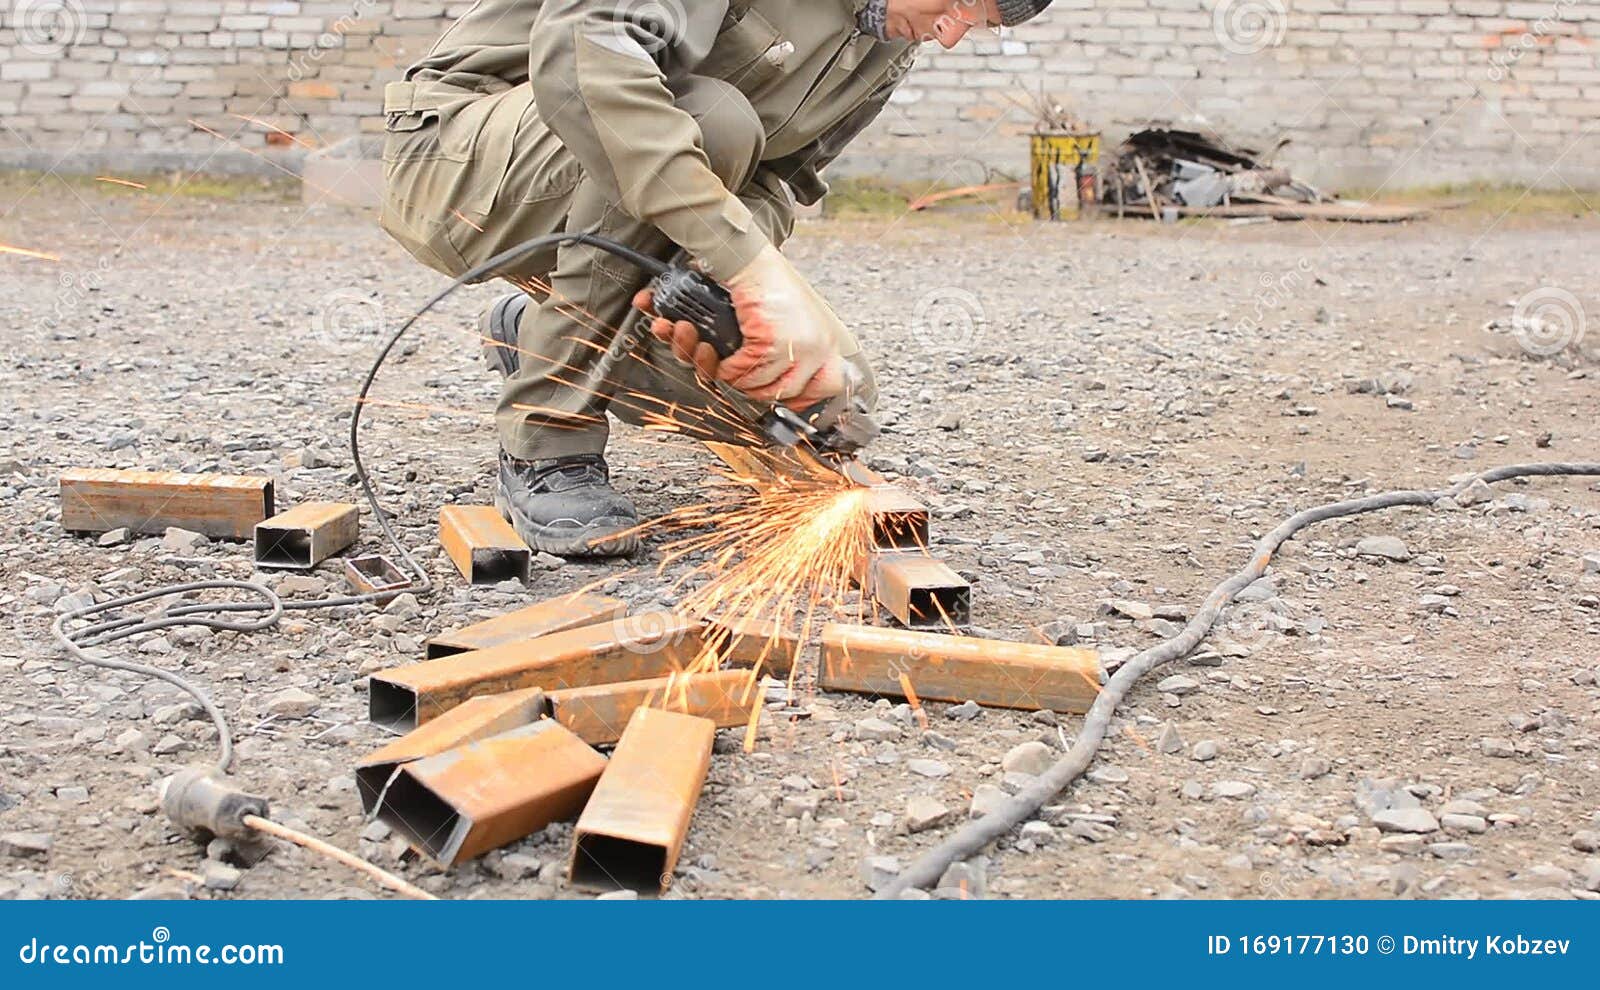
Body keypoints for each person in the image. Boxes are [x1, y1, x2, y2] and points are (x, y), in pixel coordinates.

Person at [380, 0, 1051, 556]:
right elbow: (585, 56)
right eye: (961, 1)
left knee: (828, 400)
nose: (954, 34)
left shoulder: (884, 44)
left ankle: (537, 334)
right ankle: (546, 441)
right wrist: (749, 265)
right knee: (713, 122)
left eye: (983, 22)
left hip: (621, 206)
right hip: (461, 162)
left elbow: (781, 180)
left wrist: (721, 284)